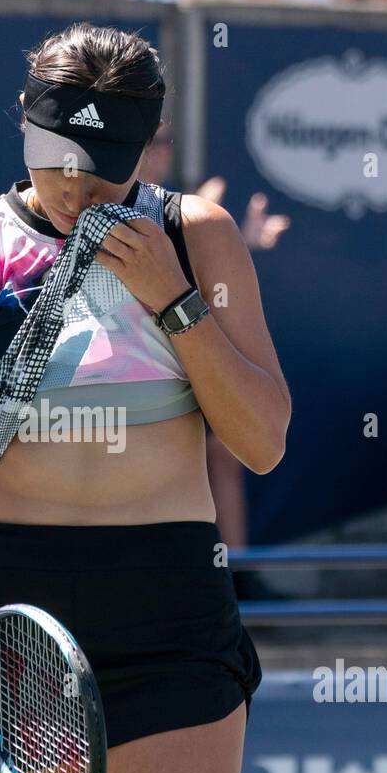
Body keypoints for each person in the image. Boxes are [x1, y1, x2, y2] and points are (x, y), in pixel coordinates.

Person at [0, 22, 289, 773]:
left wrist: (174, 301)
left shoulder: (194, 236)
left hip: (169, 608)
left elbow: (263, 441)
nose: (79, 189)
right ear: (26, 125)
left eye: (107, 168)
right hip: (12, 610)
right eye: (59, 159)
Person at [138, 122, 290, 599]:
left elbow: (195, 283)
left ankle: (235, 577)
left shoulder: (189, 213)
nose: (165, 152)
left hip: (190, 358)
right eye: (156, 142)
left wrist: (237, 243)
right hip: (148, 372)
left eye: (167, 141)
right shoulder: (145, 214)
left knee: (226, 455)